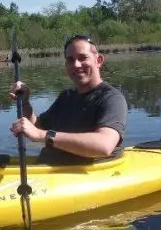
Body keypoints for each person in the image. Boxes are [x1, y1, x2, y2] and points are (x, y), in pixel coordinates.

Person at [9, 34, 128, 165]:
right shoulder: (66, 96)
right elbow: (37, 127)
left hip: (80, 177)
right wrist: (25, 102)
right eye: (70, 60)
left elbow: (104, 145)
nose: (76, 65)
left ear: (98, 60)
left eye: (83, 58)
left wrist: (42, 135)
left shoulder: (112, 98)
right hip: (47, 170)